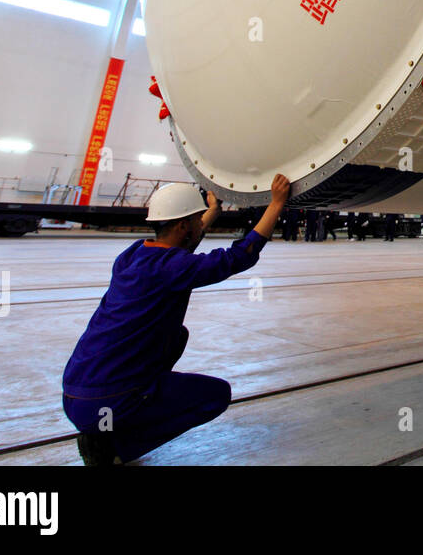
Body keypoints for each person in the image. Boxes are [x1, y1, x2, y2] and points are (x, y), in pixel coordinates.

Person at [62, 175, 291, 465]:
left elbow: (181, 245)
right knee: (216, 396)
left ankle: (108, 429)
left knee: (177, 335)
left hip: (75, 393)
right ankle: (114, 447)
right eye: (197, 220)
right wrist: (276, 203)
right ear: (184, 225)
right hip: (109, 401)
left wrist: (212, 211)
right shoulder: (172, 267)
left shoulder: (132, 255)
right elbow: (239, 256)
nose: (200, 224)